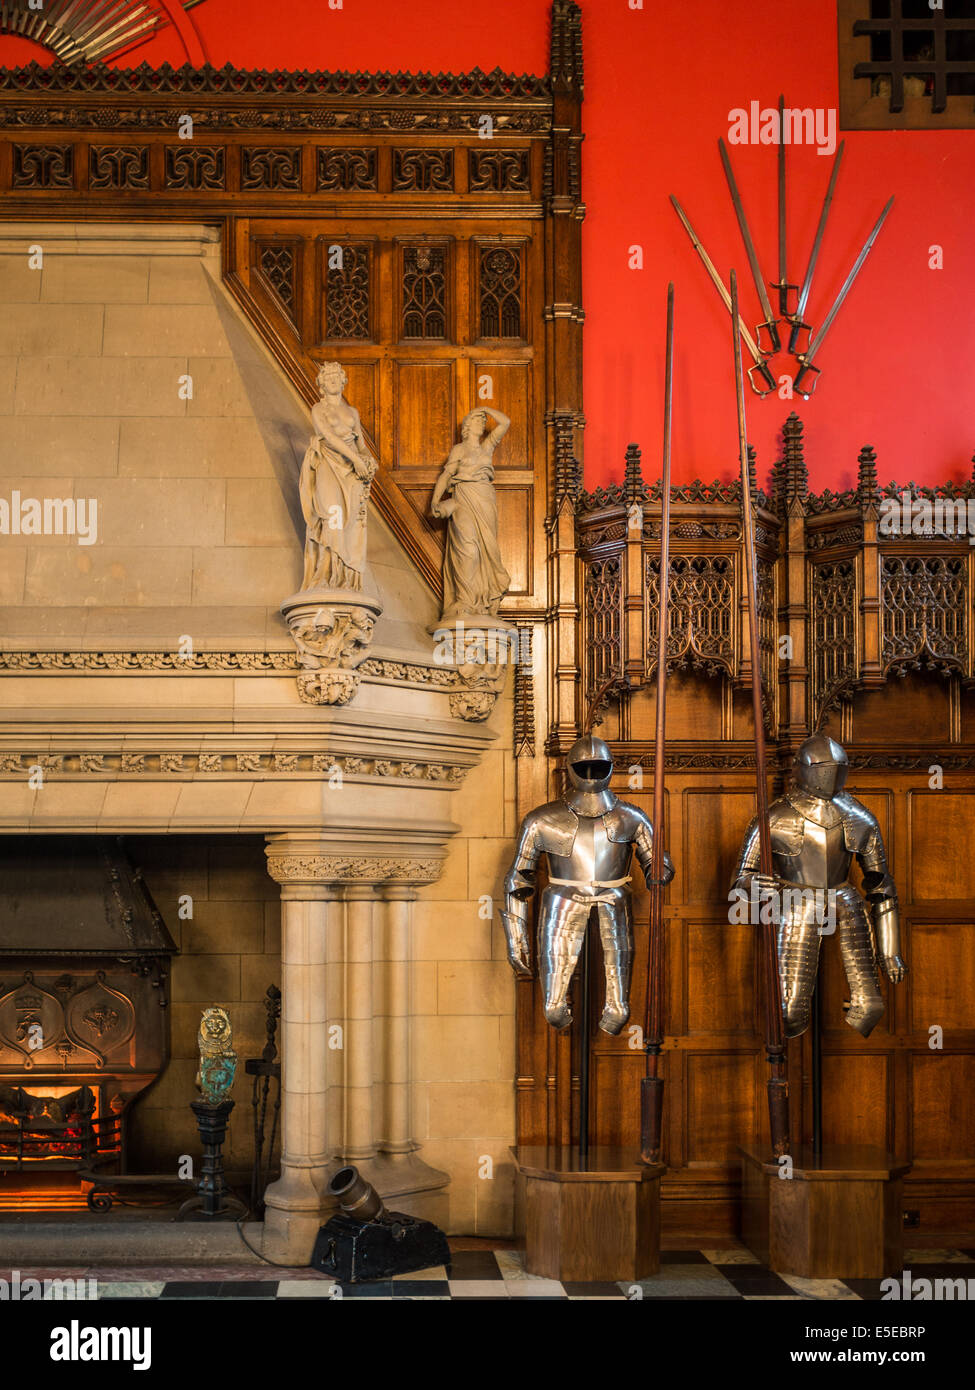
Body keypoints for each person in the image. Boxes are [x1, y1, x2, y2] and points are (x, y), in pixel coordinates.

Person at [299, 361, 378, 593]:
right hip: (329, 466)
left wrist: (367, 460)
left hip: (352, 476)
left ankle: (345, 579)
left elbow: (360, 445)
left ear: (343, 380)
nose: (333, 379)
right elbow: (329, 437)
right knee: (331, 515)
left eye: (336, 375)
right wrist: (355, 459)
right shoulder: (318, 409)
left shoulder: (352, 412)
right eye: (328, 376)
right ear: (321, 384)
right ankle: (325, 575)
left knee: (350, 524)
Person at [430, 406, 511, 620]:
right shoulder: (459, 449)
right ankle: (465, 601)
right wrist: (435, 500)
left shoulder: (487, 447)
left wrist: (485, 408)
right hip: (463, 498)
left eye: (482, 421)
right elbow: (446, 476)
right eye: (477, 420)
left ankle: (482, 603)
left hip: (485, 499)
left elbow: (505, 423)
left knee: (487, 551)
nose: (482, 423)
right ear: (467, 426)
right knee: (468, 549)